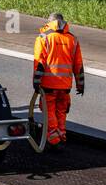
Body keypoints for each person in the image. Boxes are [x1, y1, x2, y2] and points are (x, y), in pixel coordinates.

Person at [32, 12, 85, 149]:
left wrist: (36, 82)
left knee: (49, 111)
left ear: (49, 22)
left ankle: (54, 139)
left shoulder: (43, 37)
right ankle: (61, 135)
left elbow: (39, 63)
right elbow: (78, 65)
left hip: (48, 85)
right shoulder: (73, 39)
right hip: (65, 86)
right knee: (61, 111)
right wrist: (80, 85)